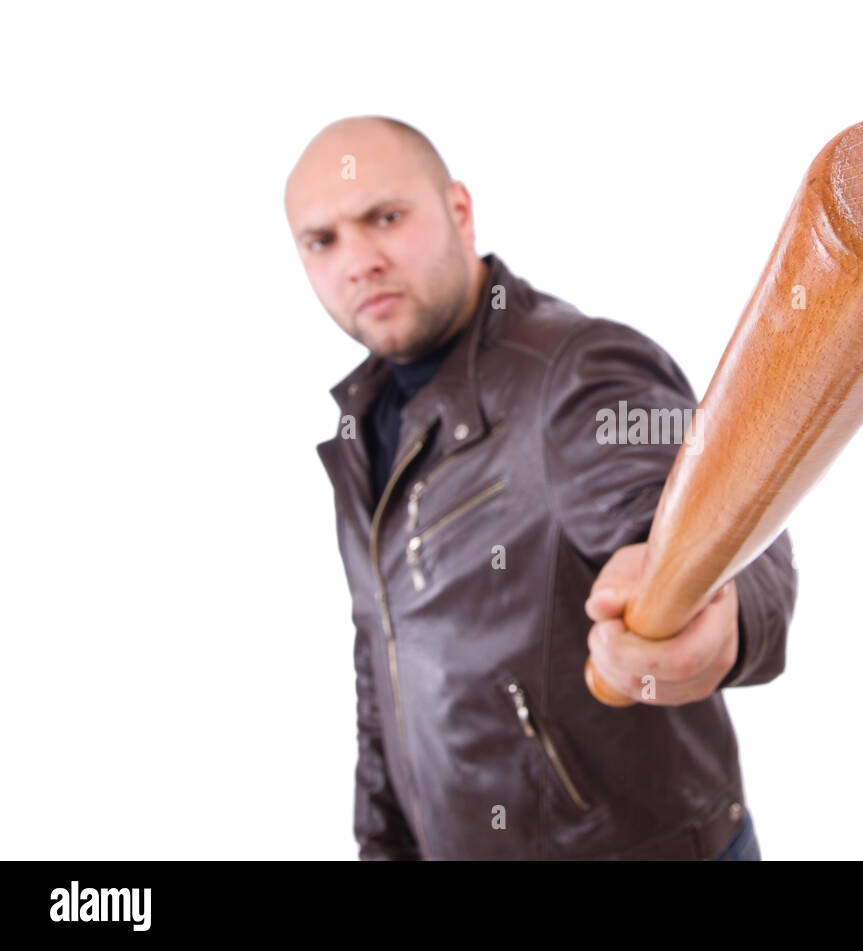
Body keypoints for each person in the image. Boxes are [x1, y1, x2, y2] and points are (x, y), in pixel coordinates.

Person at [283, 115, 797, 860]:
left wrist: (722, 610)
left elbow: (727, 512)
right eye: (321, 240)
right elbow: (385, 667)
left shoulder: (575, 372)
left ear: (458, 211)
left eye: (385, 217)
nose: (357, 260)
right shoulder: (364, 430)